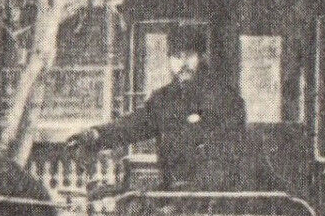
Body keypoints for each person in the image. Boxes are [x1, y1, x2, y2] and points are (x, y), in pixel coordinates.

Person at [66, 25, 247, 191]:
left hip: (213, 197)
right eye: (177, 57)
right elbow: (134, 125)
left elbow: (227, 154)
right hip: (172, 193)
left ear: (201, 58)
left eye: (189, 56)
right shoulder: (163, 99)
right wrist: (97, 134)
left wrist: (195, 188)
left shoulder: (224, 99)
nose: (182, 64)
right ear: (169, 60)